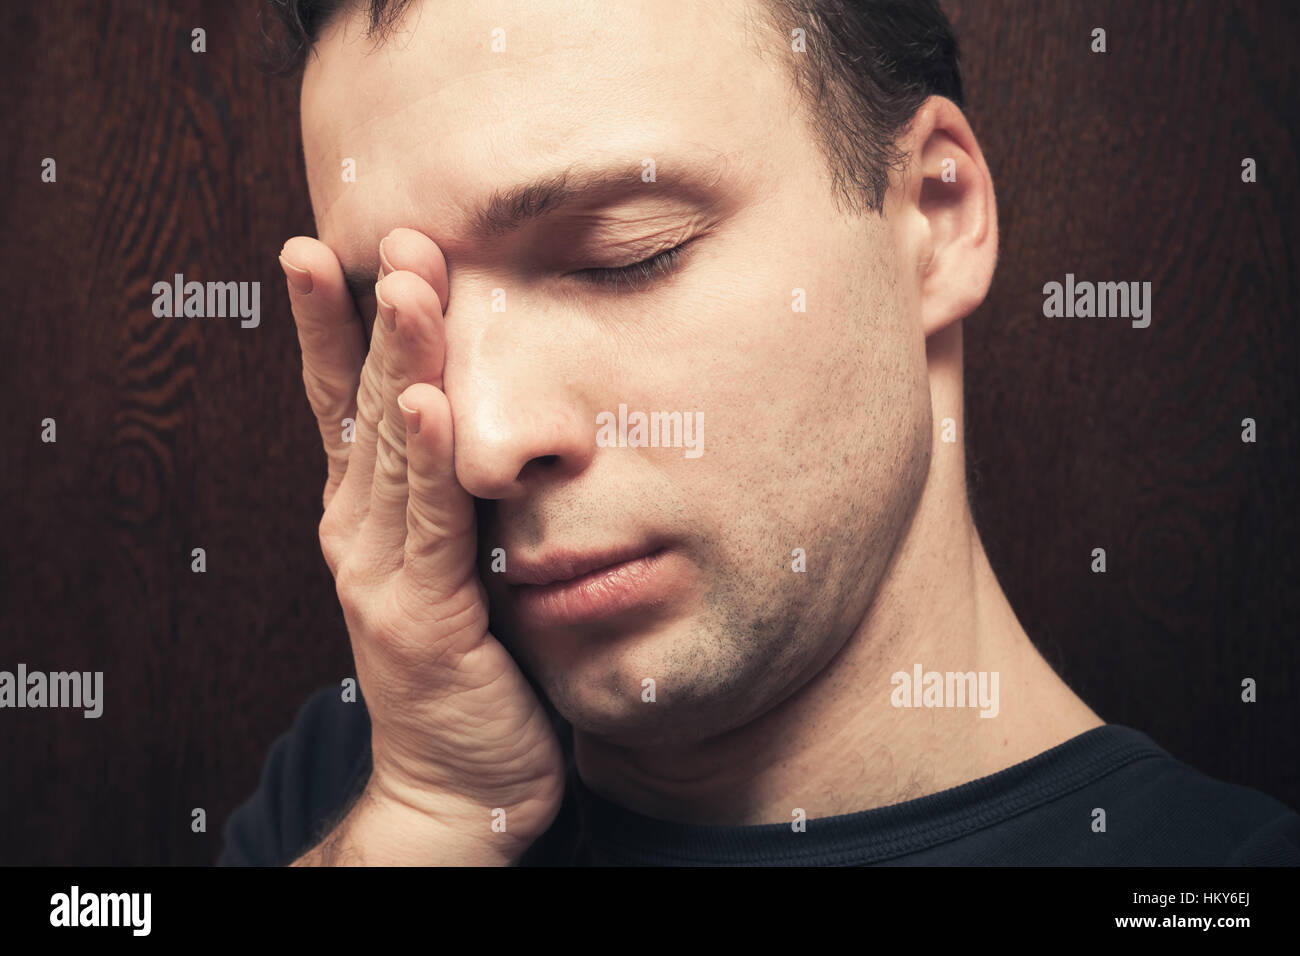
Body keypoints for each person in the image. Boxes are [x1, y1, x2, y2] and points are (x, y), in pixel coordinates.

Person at [219, 0, 1299, 866]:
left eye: (622, 254)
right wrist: (425, 817)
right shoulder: (357, 784)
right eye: (396, 319)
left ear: (932, 212)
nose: (486, 438)